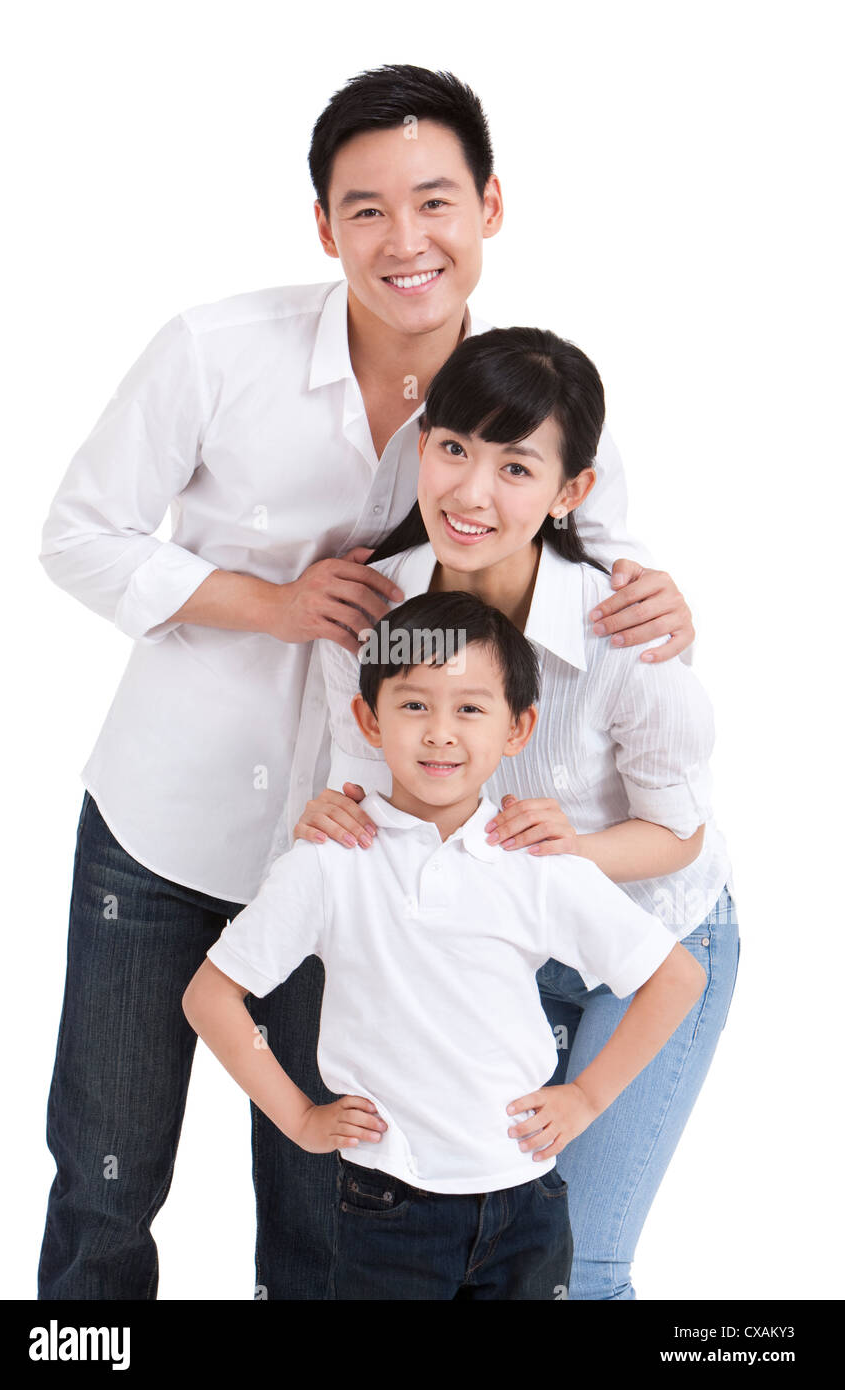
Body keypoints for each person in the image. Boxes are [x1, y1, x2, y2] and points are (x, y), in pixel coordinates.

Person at [37, 64, 697, 1301]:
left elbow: (601, 551)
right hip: (168, 820)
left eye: (436, 202)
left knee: (323, 1200)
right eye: (367, 209)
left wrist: (664, 595)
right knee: (108, 1181)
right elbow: (79, 535)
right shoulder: (214, 349)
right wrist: (275, 605)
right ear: (324, 224)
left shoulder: (515, 397)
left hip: (360, 854)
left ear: (489, 208)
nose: (407, 241)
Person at [290, 324, 740, 1300]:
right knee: (477, 1246)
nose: (470, 492)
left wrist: (565, 850)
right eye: (451, 448)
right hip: (500, 950)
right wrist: (333, 821)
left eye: (514, 465)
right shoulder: (373, 610)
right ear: (420, 446)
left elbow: (678, 834)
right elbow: (377, 785)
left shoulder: (624, 627)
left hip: (653, 936)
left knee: (582, 1268)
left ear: (569, 490)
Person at [182, 592, 706, 1300]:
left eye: (469, 708)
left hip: (526, 1204)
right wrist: (301, 1119)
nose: (440, 733)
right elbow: (211, 996)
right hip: (387, 1207)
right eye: (414, 705)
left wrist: (583, 1098)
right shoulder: (332, 860)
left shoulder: (532, 860)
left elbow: (675, 977)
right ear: (369, 718)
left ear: (519, 728)